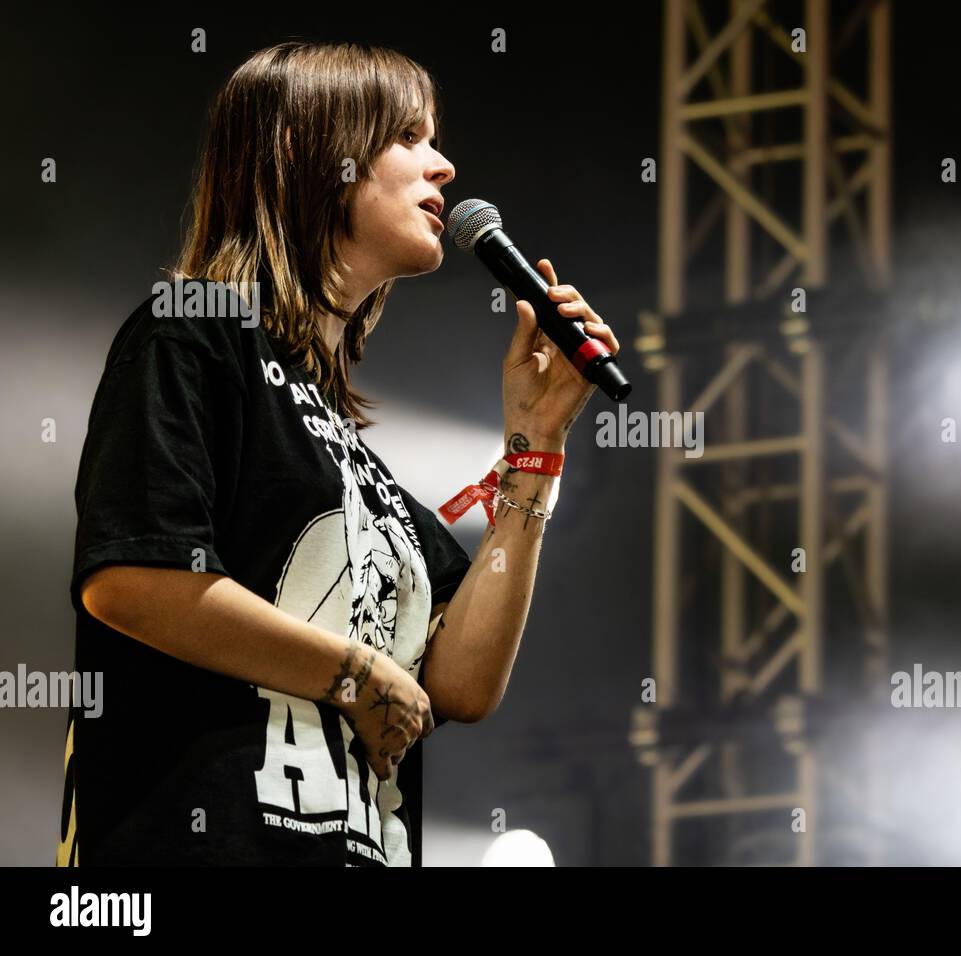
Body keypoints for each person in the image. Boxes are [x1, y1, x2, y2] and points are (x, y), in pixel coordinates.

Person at [55, 41, 619, 867]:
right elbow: (133, 579)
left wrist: (534, 447)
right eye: (410, 138)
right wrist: (354, 673)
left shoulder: (370, 477)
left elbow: (461, 684)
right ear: (308, 151)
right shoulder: (193, 333)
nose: (446, 167)